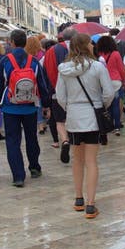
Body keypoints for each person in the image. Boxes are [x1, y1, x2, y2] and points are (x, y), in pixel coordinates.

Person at [55, 33, 114, 219]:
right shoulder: (97, 67)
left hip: (74, 117)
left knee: (77, 159)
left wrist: (70, 108)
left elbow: (60, 96)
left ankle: (78, 198)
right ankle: (90, 204)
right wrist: (101, 105)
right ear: (86, 45)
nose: (93, 45)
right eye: (90, 43)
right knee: (91, 161)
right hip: (92, 117)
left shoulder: (64, 69)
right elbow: (109, 92)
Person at [0, 29, 51, 187]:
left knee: (12, 141)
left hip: (10, 107)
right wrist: (46, 105)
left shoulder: (5, 61)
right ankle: (34, 167)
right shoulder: (34, 62)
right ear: (25, 43)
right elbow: (42, 85)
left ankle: (18, 175)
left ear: (12, 42)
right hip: (30, 107)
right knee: (31, 138)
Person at [42, 25, 76, 163]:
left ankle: (65, 140)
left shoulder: (51, 51)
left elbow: (45, 72)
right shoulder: (80, 48)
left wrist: (49, 92)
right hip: (77, 93)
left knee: (60, 121)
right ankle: (75, 141)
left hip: (57, 92)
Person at [96, 34, 125, 135]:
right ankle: (117, 126)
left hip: (104, 82)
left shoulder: (99, 55)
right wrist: (124, 81)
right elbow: (121, 69)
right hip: (116, 82)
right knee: (116, 105)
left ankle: (109, 125)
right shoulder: (116, 54)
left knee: (107, 105)